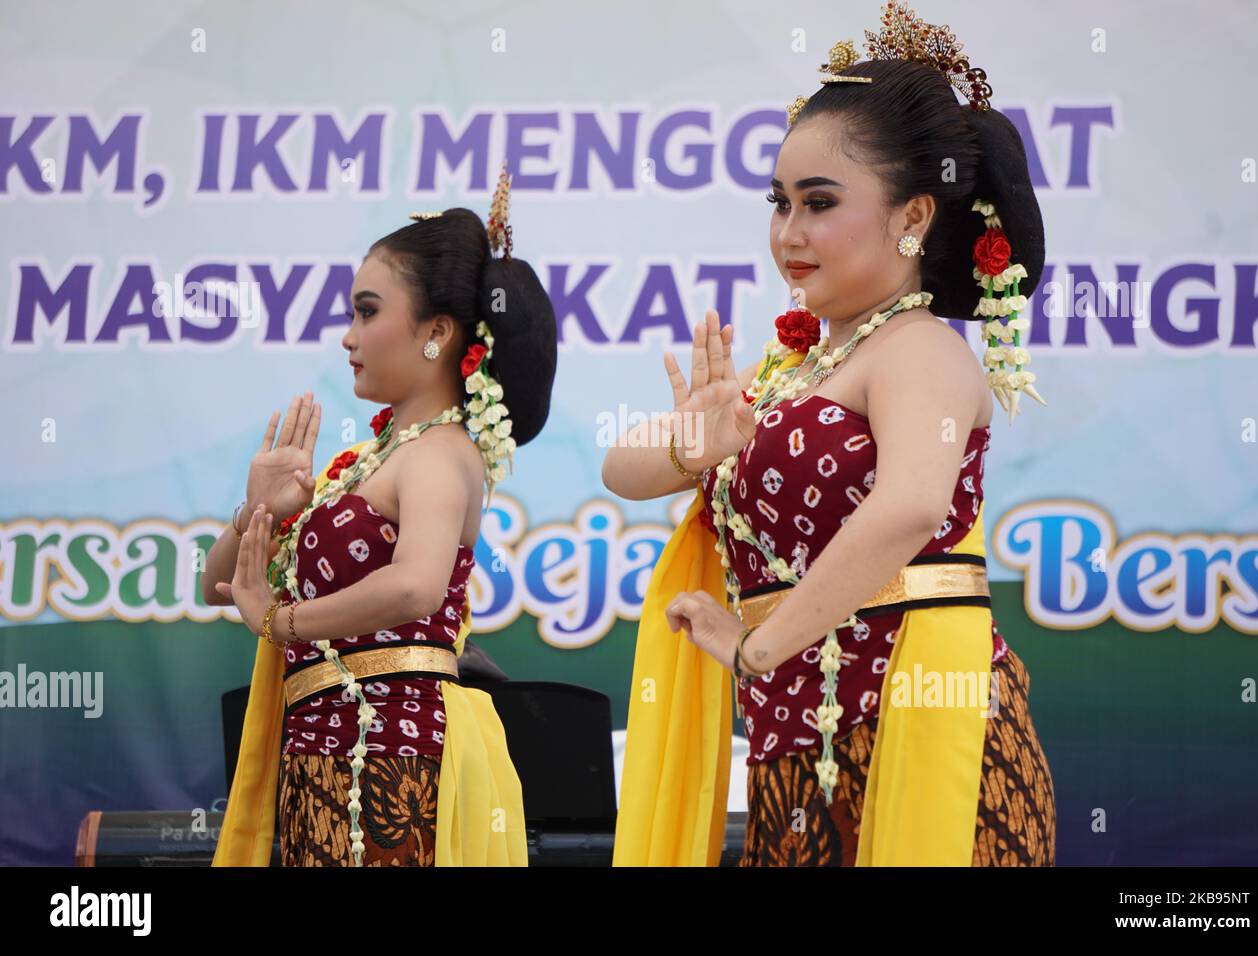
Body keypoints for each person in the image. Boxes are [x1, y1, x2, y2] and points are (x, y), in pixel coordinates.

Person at [606, 1, 1056, 866]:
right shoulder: (791, 370)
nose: (788, 234)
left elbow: (911, 508)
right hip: (796, 745)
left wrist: (759, 646)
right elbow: (620, 470)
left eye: (818, 203)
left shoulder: (919, 351)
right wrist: (692, 449)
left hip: (922, 724)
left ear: (913, 217)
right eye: (779, 203)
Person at [203, 168, 557, 866]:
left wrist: (282, 623)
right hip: (322, 749)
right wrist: (256, 515)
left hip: (394, 753)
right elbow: (215, 587)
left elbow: (416, 586)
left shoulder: (441, 453)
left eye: (367, 311)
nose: (348, 336)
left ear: (436, 333)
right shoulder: (360, 464)